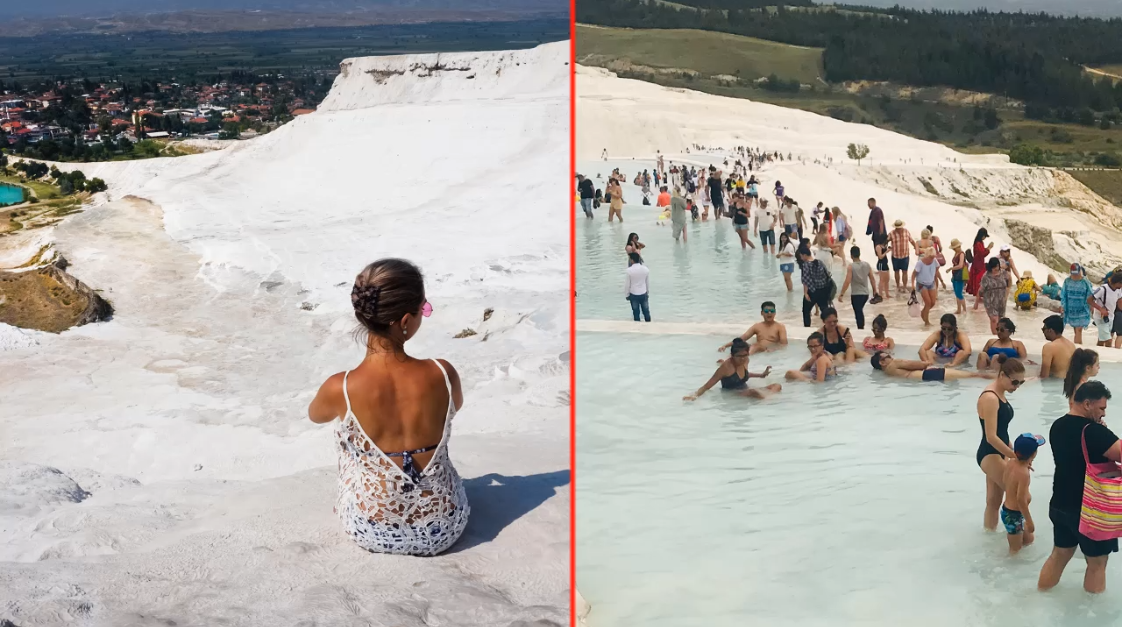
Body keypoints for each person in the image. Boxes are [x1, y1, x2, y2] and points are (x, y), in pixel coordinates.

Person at [308, 258, 469, 556]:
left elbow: (315, 415)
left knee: (345, 428)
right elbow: (453, 408)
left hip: (374, 528)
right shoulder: (443, 373)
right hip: (446, 525)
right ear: (406, 321)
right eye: (424, 309)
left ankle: (373, 493)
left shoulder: (341, 387)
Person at [1039, 381, 1120, 594]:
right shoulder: (1094, 432)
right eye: (1101, 408)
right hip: (1089, 510)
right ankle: (1091, 616)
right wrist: (1104, 431)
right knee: (1097, 563)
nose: (1103, 413)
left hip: (1060, 504)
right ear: (1087, 404)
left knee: (1059, 554)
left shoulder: (1057, 425)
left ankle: (1039, 594)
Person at [976, 357, 1026, 531]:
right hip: (990, 453)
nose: (1017, 386)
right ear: (1002, 375)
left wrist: (1012, 450)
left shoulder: (1001, 394)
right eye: (1014, 382)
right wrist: (1016, 457)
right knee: (1020, 496)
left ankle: (988, 537)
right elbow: (991, 436)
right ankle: (1019, 536)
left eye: (1021, 383)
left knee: (993, 501)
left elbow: (1001, 432)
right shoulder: (990, 398)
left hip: (1000, 451)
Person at [684, 338, 781, 401]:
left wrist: (761, 375)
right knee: (754, 392)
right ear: (732, 355)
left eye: (745, 355)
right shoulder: (726, 367)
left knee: (777, 385)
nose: (743, 358)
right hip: (733, 394)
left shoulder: (746, 360)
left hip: (745, 390)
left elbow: (745, 374)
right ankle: (771, 403)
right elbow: (707, 386)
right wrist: (695, 396)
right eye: (739, 356)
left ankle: (768, 399)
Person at [1003, 433, 1044, 554]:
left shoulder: (1011, 462)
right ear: (1033, 454)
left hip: (1010, 512)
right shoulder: (1024, 474)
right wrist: (1029, 521)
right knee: (1015, 551)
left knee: (1028, 541)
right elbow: (1020, 500)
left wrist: (1024, 465)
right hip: (1014, 515)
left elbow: (1006, 480)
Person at [718, 301, 788, 354]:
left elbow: (784, 344)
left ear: (775, 313)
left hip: (767, 349)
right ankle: (727, 360)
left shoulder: (780, 327)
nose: (769, 313)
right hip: (755, 348)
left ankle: (743, 356)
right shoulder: (757, 326)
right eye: (766, 311)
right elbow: (742, 338)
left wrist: (774, 349)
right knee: (740, 346)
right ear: (762, 313)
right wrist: (725, 346)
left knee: (754, 346)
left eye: (772, 311)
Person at [870, 351, 993, 381]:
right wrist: (927, 362)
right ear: (882, 362)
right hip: (929, 373)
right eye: (888, 356)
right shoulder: (894, 363)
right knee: (975, 375)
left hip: (922, 379)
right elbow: (915, 365)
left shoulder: (887, 373)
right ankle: (996, 377)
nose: (891, 357)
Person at [839, 246, 878, 330]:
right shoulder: (867, 265)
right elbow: (872, 279)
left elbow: (847, 281)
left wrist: (841, 294)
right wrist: (875, 291)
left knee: (858, 312)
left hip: (856, 294)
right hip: (865, 294)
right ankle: (861, 328)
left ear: (851, 255)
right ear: (859, 254)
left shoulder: (851, 266)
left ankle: (861, 329)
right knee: (859, 311)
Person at [799, 247, 833, 328]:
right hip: (823, 290)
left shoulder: (806, 265)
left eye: (801, 256)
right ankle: (829, 326)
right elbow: (827, 274)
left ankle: (807, 329)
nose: (801, 258)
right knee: (825, 310)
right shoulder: (819, 262)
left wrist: (806, 293)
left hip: (812, 291)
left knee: (806, 311)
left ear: (804, 255)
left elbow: (806, 280)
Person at [1062, 263, 1094, 345]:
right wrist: (1063, 306)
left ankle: (1077, 349)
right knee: (1076, 331)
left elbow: (1090, 294)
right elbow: (1064, 295)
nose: (1075, 275)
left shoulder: (1085, 281)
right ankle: (1078, 348)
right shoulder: (1067, 281)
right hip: (1071, 310)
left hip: (1082, 309)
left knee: (1078, 330)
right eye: (1073, 273)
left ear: (1080, 271)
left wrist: (1091, 306)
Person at [1040, 314, 1076, 379]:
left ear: (1050, 330)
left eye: (1043, 329)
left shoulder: (1049, 347)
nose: (1043, 332)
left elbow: (1044, 376)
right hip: (1068, 383)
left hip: (1055, 382)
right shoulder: (1071, 345)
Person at [1092, 271, 1122, 347]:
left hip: (1110, 317)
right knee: (1108, 340)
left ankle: (1098, 352)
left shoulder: (1118, 290)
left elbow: (1119, 302)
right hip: (1100, 317)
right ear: (1118, 282)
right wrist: (1100, 309)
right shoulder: (1102, 289)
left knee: (1101, 340)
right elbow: (1089, 300)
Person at [911, 249, 940, 327]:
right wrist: (912, 284)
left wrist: (939, 279)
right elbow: (913, 274)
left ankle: (923, 312)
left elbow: (937, 269)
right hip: (921, 284)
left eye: (933, 257)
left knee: (933, 303)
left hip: (931, 283)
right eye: (930, 257)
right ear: (927, 255)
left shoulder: (934, 261)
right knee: (928, 303)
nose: (932, 258)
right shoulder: (920, 263)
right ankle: (926, 322)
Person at [979, 258, 1008, 334]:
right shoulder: (986, 276)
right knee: (994, 319)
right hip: (990, 301)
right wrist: (976, 303)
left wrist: (1007, 293)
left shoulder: (1004, 273)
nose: (996, 268)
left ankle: (1001, 337)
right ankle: (995, 336)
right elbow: (981, 290)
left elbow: (1009, 282)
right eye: (994, 267)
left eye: (997, 266)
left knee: (1001, 320)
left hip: (1001, 300)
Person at [889, 219, 914, 292]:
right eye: (897, 228)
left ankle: (904, 287)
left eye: (899, 228)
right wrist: (885, 248)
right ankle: (897, 286)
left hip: (905, 255)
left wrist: (916, 248)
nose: (898, 229)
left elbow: (911, 241)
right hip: (895, 256)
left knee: (905, 272)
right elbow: (886, 241)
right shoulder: (891, 233)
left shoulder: (906, 231)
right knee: (896, 271)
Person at [968, 228, 992, 302]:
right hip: (978, 264)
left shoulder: (979, 242)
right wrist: (989, 248)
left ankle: (979, 295)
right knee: (979, 280)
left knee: (979, 279)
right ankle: (979, 295)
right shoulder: (978, 243)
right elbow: (982, 254)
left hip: (979, 263)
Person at [624, 252, 650, 322]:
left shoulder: (629, 271)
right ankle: (649, 326)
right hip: (643, 292)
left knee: (636, 312)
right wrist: (647, 292)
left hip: (633, 294)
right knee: (646, 311)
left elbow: (627, 284)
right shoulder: (645, 269)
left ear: (632, 260)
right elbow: (647, 282)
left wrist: (627, 294)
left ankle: (638, 328)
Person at [947, 238, 968, 314]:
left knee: (959, 293)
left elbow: (960, 265)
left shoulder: (961, 254)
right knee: (956, 293)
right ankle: (959, 309)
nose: (954, 250)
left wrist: (951, 268)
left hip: (960, 275)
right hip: (955, 274)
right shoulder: (956, 253)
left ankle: (964, 309)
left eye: (954, 248)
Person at [872, 234, 889, 303]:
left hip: (885, 263)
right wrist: (887, 251)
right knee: (882, 280)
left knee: (887, 279)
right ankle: (881, 294)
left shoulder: (883, 245)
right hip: (881, 264)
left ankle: (887, 294)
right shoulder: (878, 247)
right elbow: (880, 257)